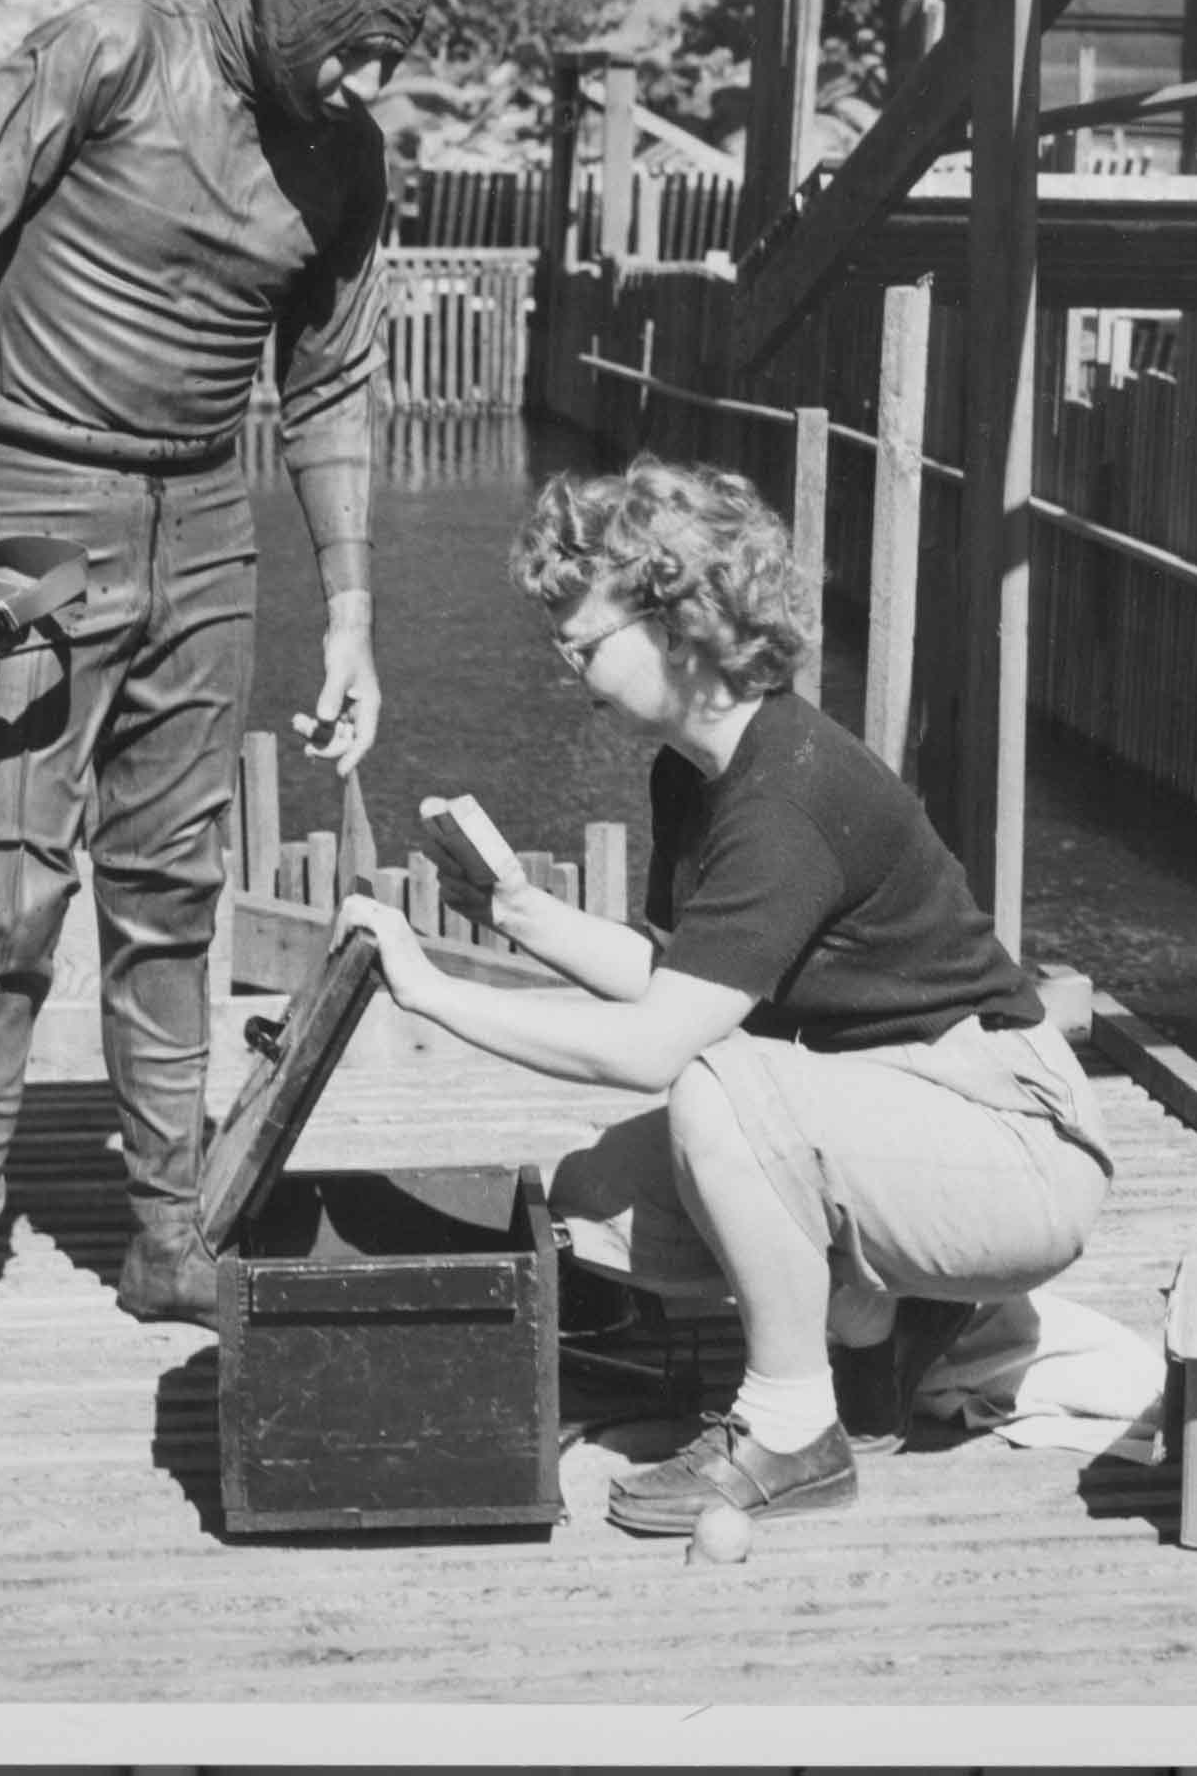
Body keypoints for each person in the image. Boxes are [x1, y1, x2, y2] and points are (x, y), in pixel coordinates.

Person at [0, 0, 427, 1434]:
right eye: (354, 45)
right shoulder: (114, 52)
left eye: (396, 53)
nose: (370, 82)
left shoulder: (349, 162)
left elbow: (328, 391)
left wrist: (355, 612)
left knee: (174, 891)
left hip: (209, 528)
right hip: (38, 504)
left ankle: (170, 1229)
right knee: (5, 892)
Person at [336, 455, 1115, 1534]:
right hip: (891, 1102)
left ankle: (795, 1428)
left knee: (715, 1093)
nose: (563, 650)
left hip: (1015, 1142)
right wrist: (514, 913)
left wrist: (431, 994)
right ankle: (876, 1330)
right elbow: (684, 977)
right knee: (591, 1202)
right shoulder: (695, 769)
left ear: (682, 621)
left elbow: (661, 1046)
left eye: (585, 632)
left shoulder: (788, 792)